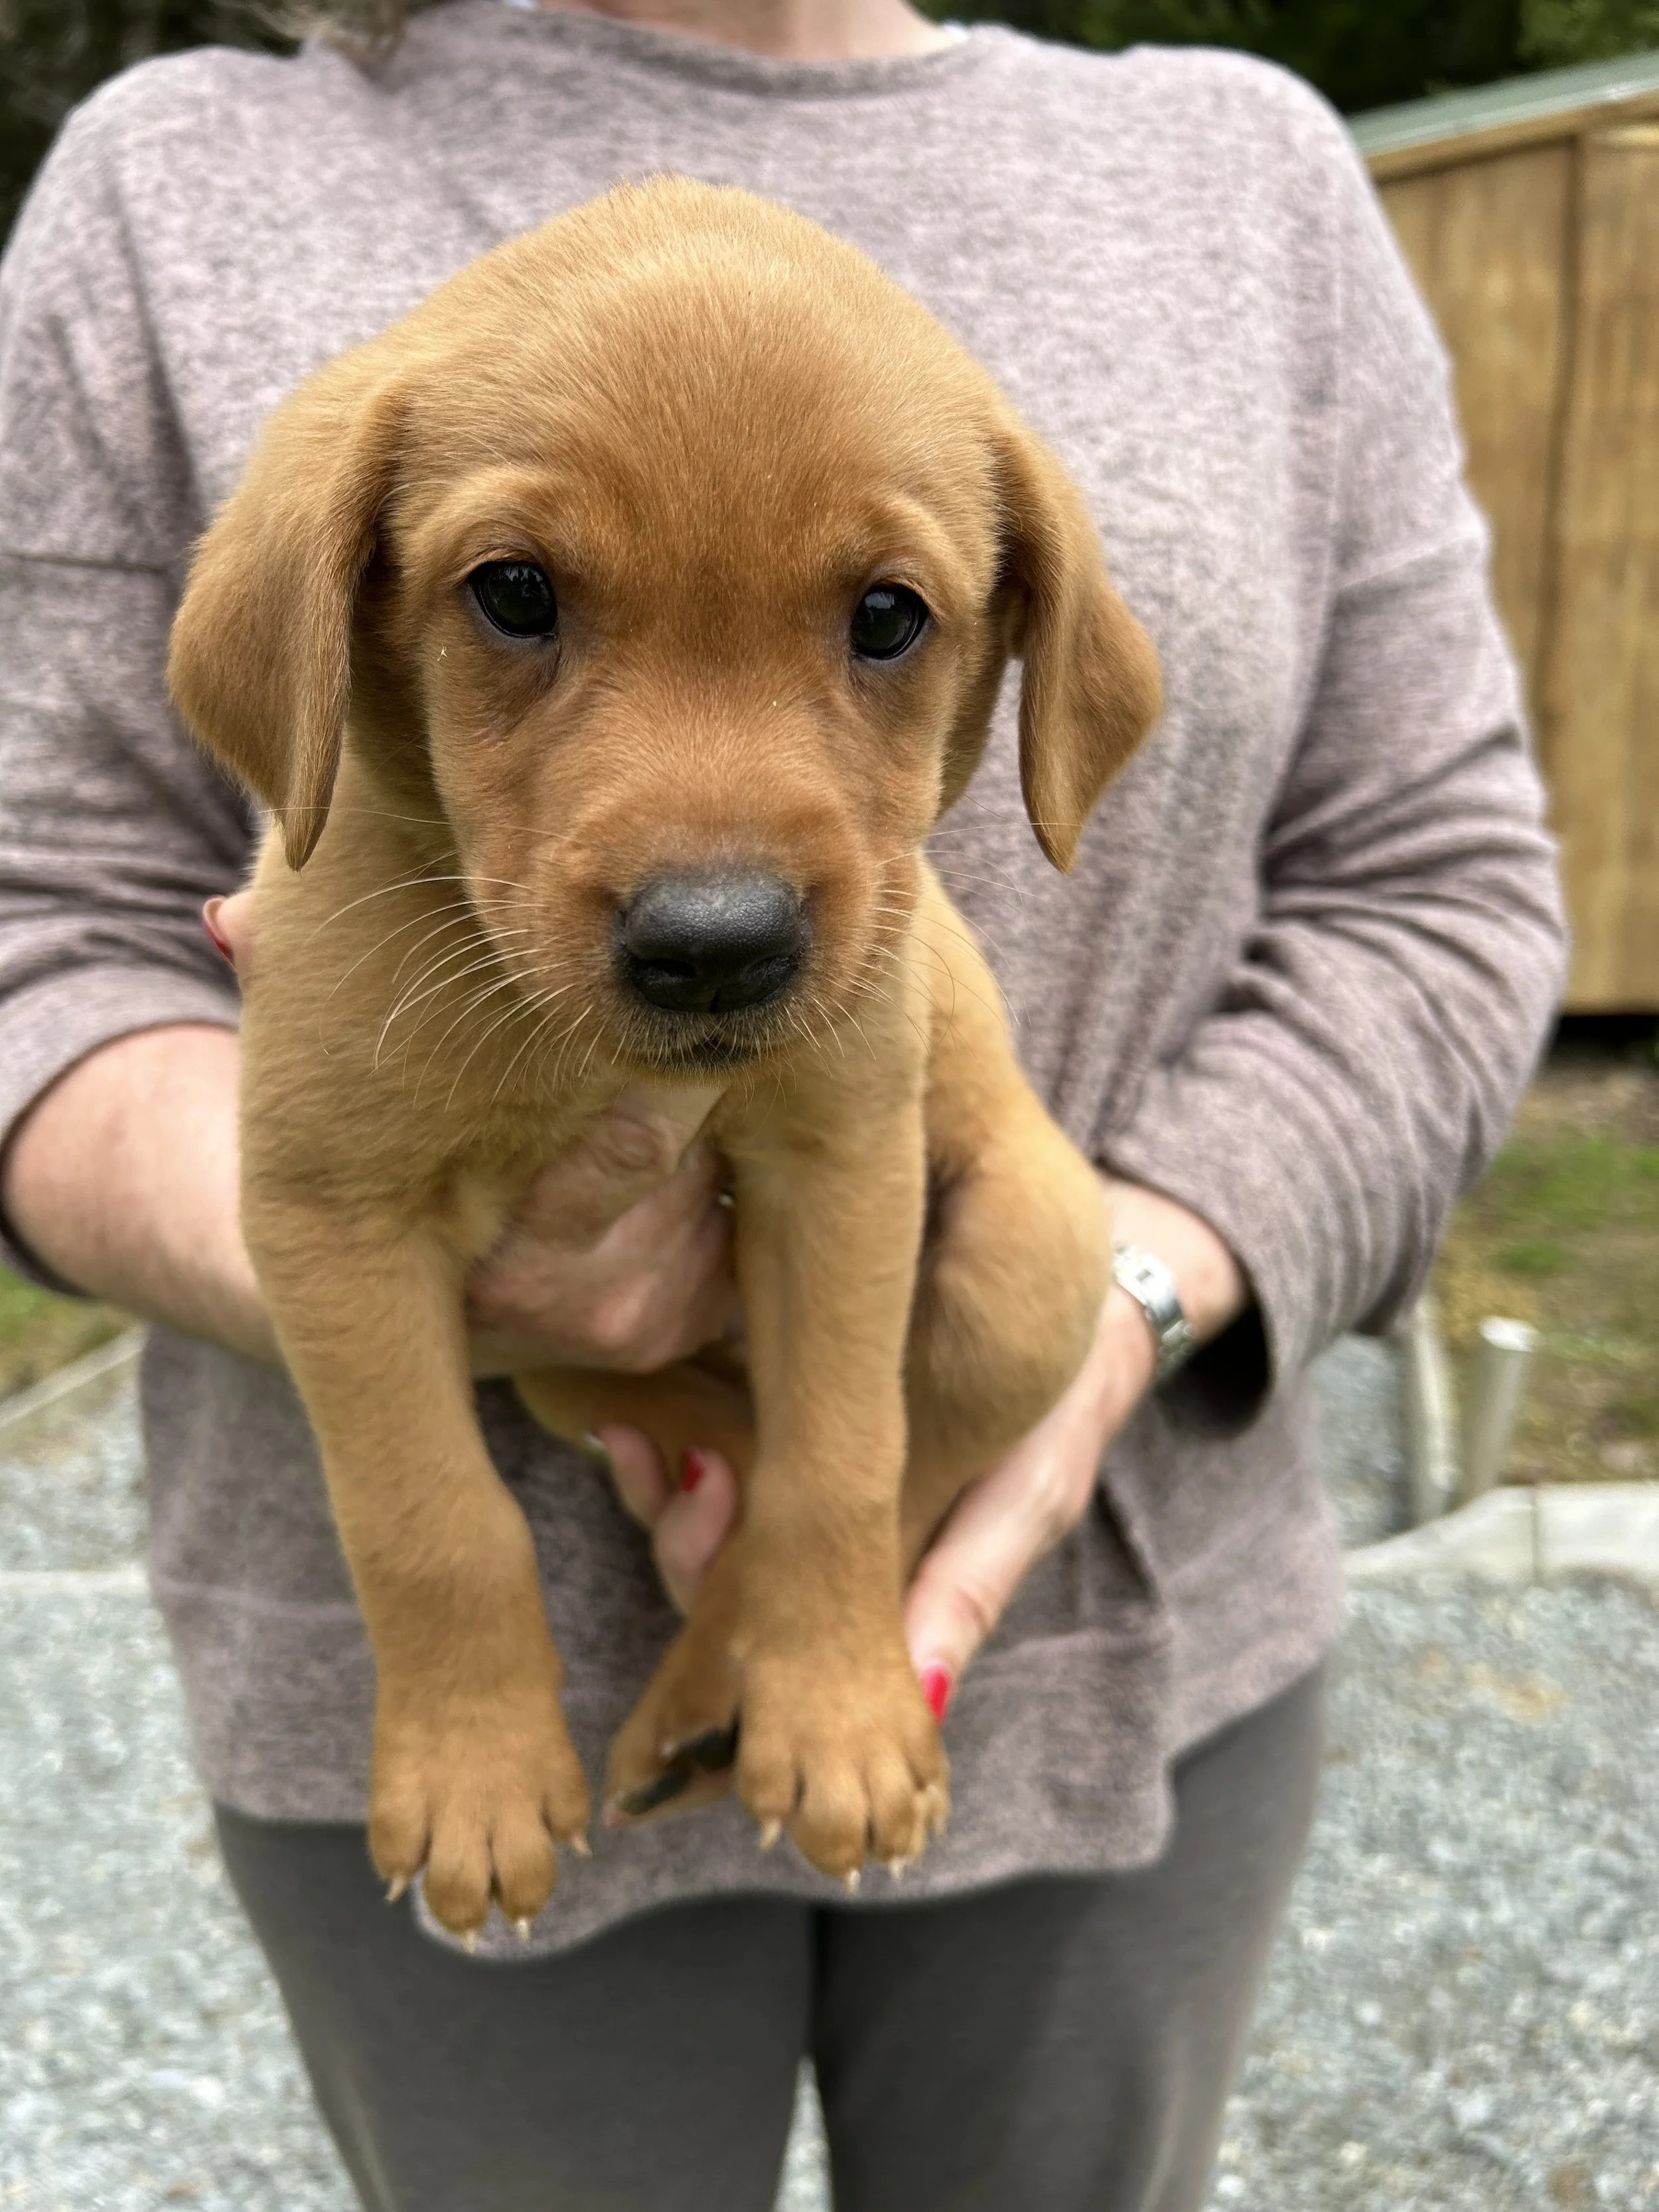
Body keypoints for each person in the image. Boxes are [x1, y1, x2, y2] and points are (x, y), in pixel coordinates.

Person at [0, 1, 1565, 2205]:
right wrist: (443, 1402)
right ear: (325, 623)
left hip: (1121, 1626)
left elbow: (1436, 887)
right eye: (519, 600)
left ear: (1022, 656)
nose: (714, 858)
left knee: (1004, 1256)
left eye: (886, 620)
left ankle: (767, 1620)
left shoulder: (1252, 175)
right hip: (401, 1697)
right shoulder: (175, 178)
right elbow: (42, 935)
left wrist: (970, 1446)